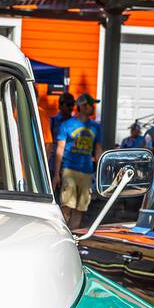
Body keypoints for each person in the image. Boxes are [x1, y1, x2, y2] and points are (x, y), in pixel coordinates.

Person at [54, 93, 102, 229]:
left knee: (80, 209)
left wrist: (100, 174)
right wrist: (56, 175)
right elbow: (60, 149)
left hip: (86, 172)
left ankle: (73, 238)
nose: (93, 108)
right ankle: (61, 234)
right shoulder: (67, 125)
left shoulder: (95, 127)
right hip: (69, 169)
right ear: (83, 106)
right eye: (91, 105)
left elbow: (98, 150)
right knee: (67, 207)